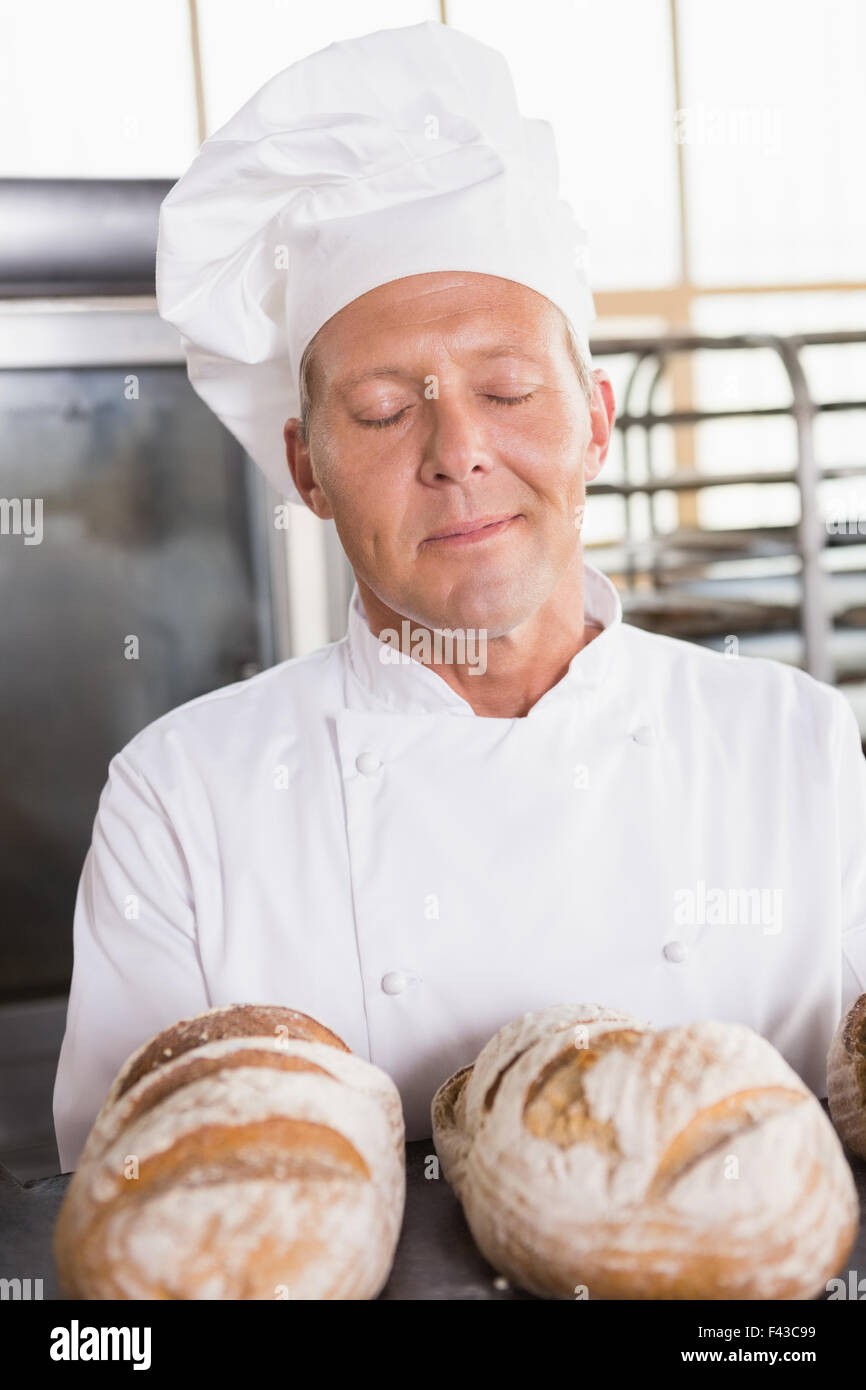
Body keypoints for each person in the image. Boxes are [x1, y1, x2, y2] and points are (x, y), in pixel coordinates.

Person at [53, 20, 866, 1172]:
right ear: (306, 470)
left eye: (508, 388)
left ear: (591, 420)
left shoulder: (796, 749)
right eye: (385, 410)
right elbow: (139, 1208)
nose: (457, 452)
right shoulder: (184, 806)